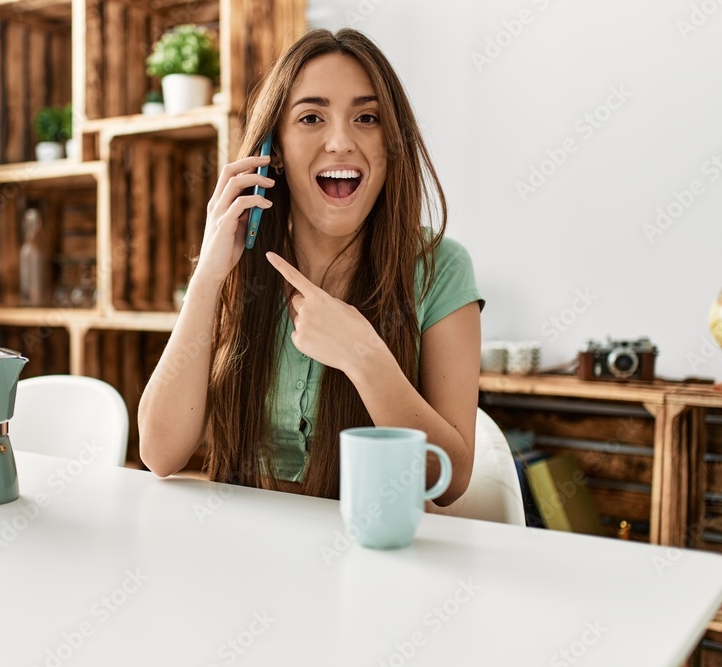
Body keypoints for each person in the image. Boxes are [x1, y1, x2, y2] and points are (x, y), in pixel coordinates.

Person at [138, 28, 482, 506]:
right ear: (271, 150)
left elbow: (446, 481)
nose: (340, 142)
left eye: (366, 117)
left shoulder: (441, 267)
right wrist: (207, 278)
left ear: (392, 144)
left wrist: (363, 355)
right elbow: (160, 453)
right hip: (245, 551)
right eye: (311, 117)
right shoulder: (238, 263)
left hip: (374, 551)